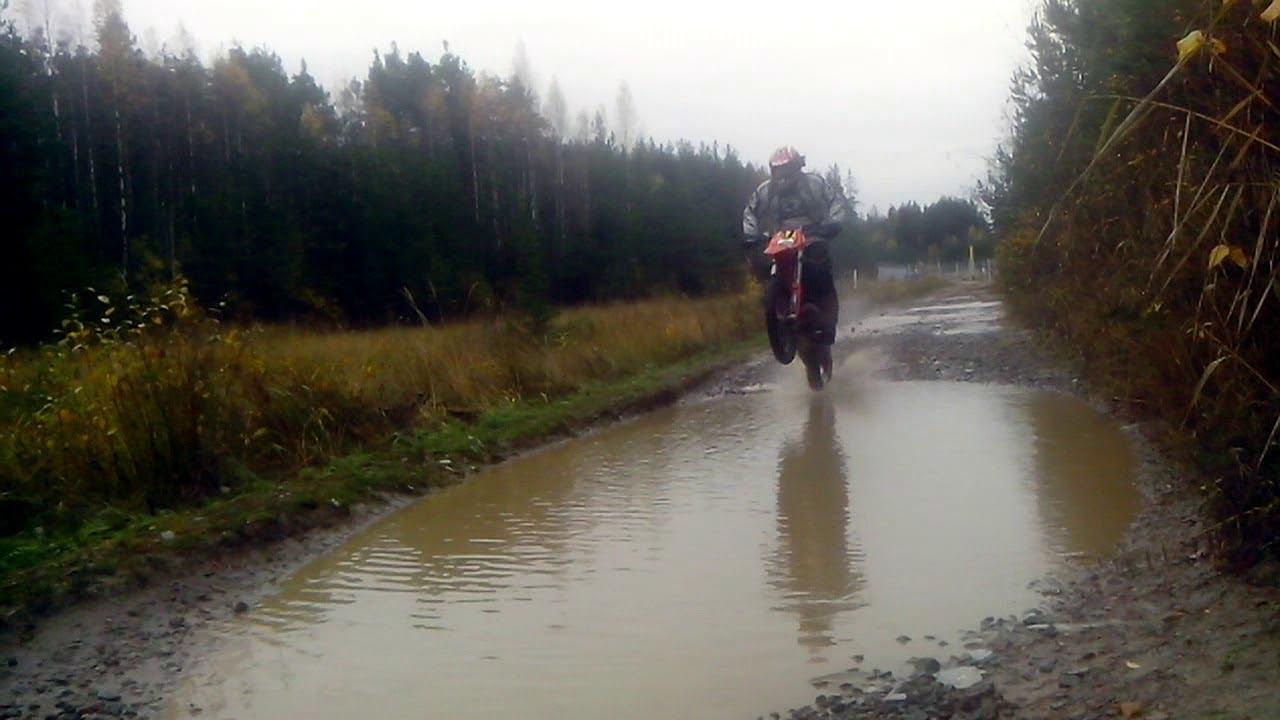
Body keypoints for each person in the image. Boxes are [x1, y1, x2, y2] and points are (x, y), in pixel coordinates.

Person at [742, 146, 852, 345]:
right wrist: (751, 235)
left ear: (797, 167)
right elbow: (750, 211)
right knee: (765, 268)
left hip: (813, 234)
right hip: (781, 238)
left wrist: (834, 223)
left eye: (787, 170)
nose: (782, 176)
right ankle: (778, 311)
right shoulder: (765, 190)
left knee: (821, 271)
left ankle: (829, 321)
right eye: (778, 171)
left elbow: (836, 200)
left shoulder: (814, 183)